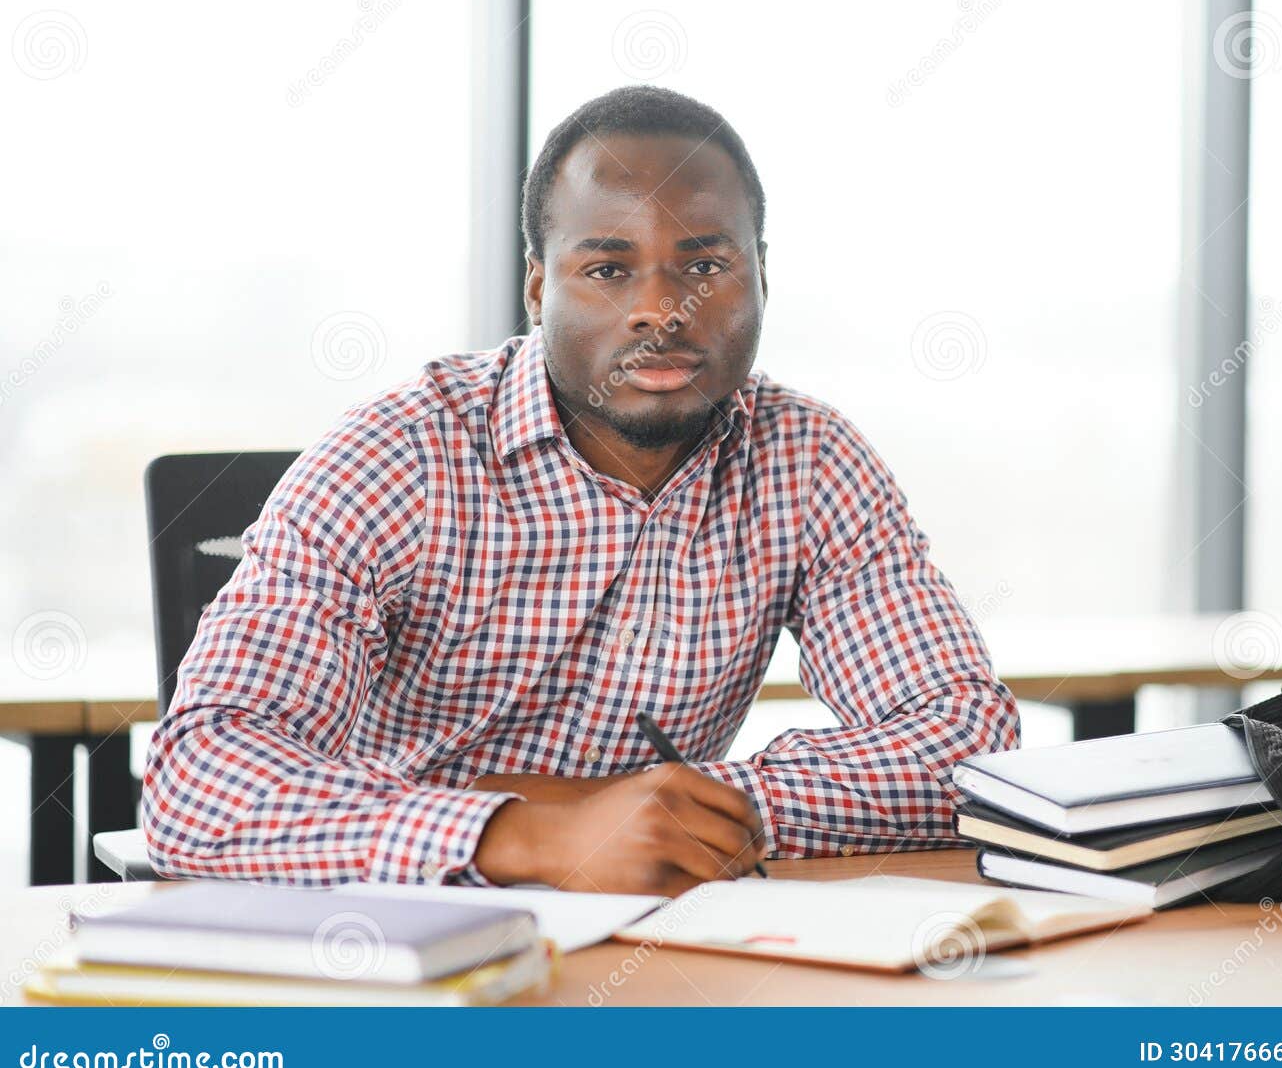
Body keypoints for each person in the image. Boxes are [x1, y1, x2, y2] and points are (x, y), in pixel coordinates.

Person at [142, 85, 1019, 895]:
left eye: (705, 266)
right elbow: (200, 782)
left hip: (660, 936)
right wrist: (524, 833)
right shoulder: (398, 456)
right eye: (607, 270)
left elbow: (966, 736)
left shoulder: (809, 459)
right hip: (392, 936)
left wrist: (694, 807)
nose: (662, 310)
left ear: (761, 274)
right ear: (537, 287)